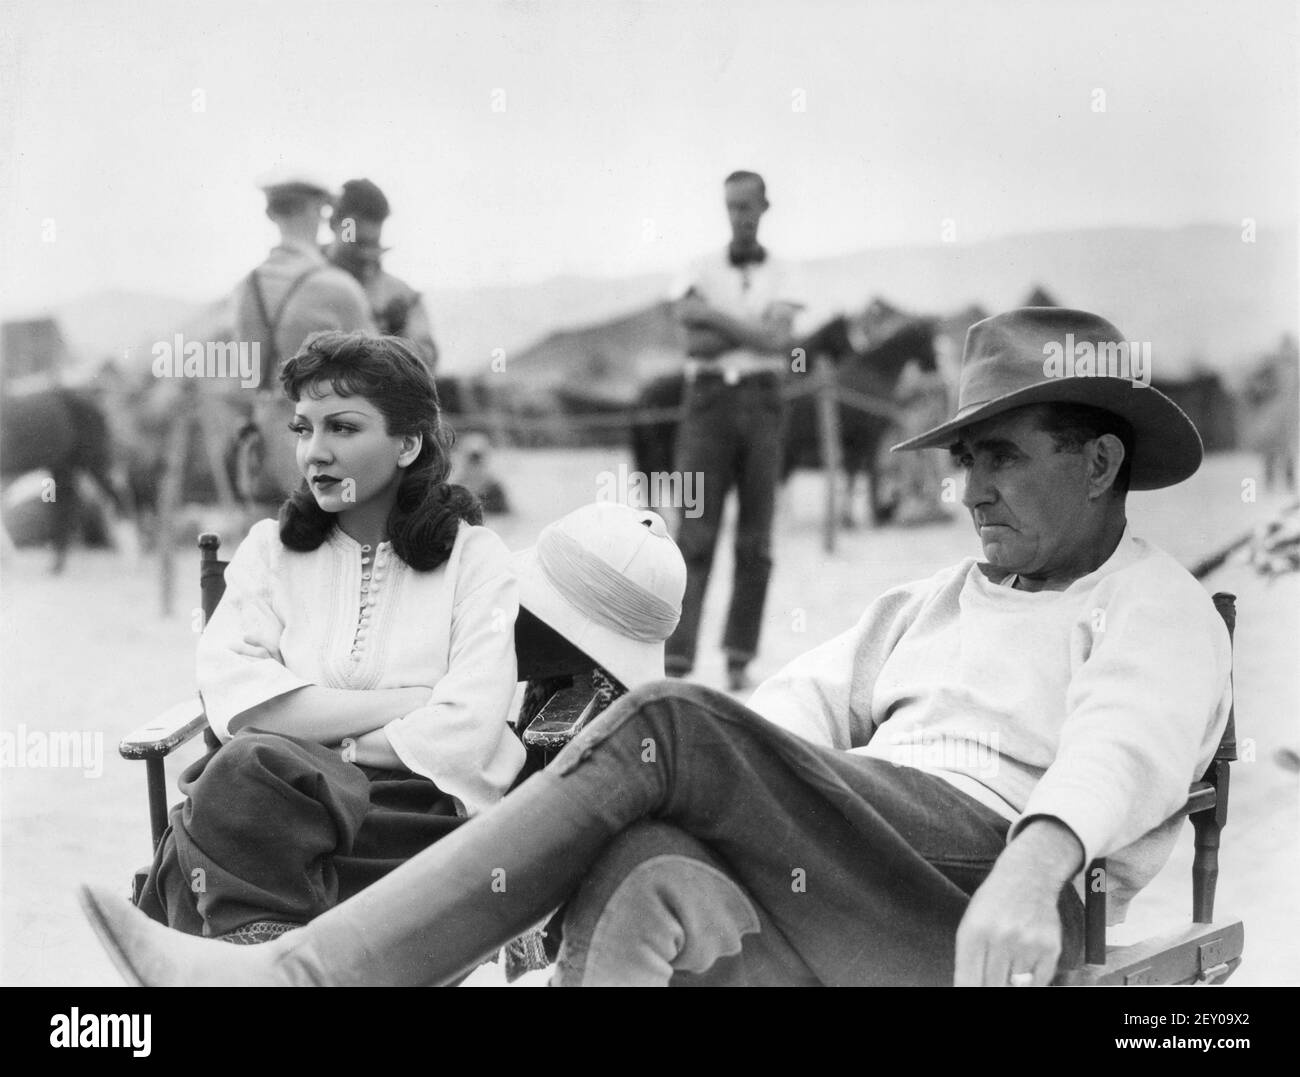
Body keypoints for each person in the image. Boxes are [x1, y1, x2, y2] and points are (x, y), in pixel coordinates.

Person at [83, 308, 1233, 986]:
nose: (967, 486)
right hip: (854, 870)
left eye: (1002, 455)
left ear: (1098, 463)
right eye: (961, 460)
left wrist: (1035, 867)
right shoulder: (925, 602)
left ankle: (301, 980)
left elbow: (1123, 747)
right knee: (648, 868)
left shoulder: (1151, 604)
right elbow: (785, 724)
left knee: (675, 721)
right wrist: (669, 799)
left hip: (985, 901)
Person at [136, 331, 517, 942]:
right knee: (241, 773)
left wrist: (321, 751)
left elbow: (469, 726)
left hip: (407, 826)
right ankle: (271, 952)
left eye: (342, 428)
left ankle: (257, 957)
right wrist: (410, 698)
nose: (314, 452)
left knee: (243, 774)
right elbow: (241, 702)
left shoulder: (473, 560)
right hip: (269, 816)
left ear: (408, 444)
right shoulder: (270, 550)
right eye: (302, 429)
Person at [665, 170, 805, 691]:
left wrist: (716, 318)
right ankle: (677, 660)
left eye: (747, 206)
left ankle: (738, 658)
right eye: (731, 206)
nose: (739, 216)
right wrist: (753, 329)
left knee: (756, 539)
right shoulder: (698, 266)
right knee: (694, 531)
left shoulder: (786, 272)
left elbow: (779, 342)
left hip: (764, 404)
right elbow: (694, 345)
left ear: (765, 206)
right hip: (707, 405)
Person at [232, 169, 376, 505]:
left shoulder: (245, 290)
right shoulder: (338, 287)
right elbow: (378, 379)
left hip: (264, 450)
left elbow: (249, 377)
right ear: (321, 212)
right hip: (325, 456)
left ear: (270, 213)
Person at [326, 178, 439, 371]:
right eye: (358, 243)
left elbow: (426, 360)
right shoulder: (304, 283)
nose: (366, 254)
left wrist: (398, 336)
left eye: (373, 243)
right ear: (334, 224)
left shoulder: (401, 294)